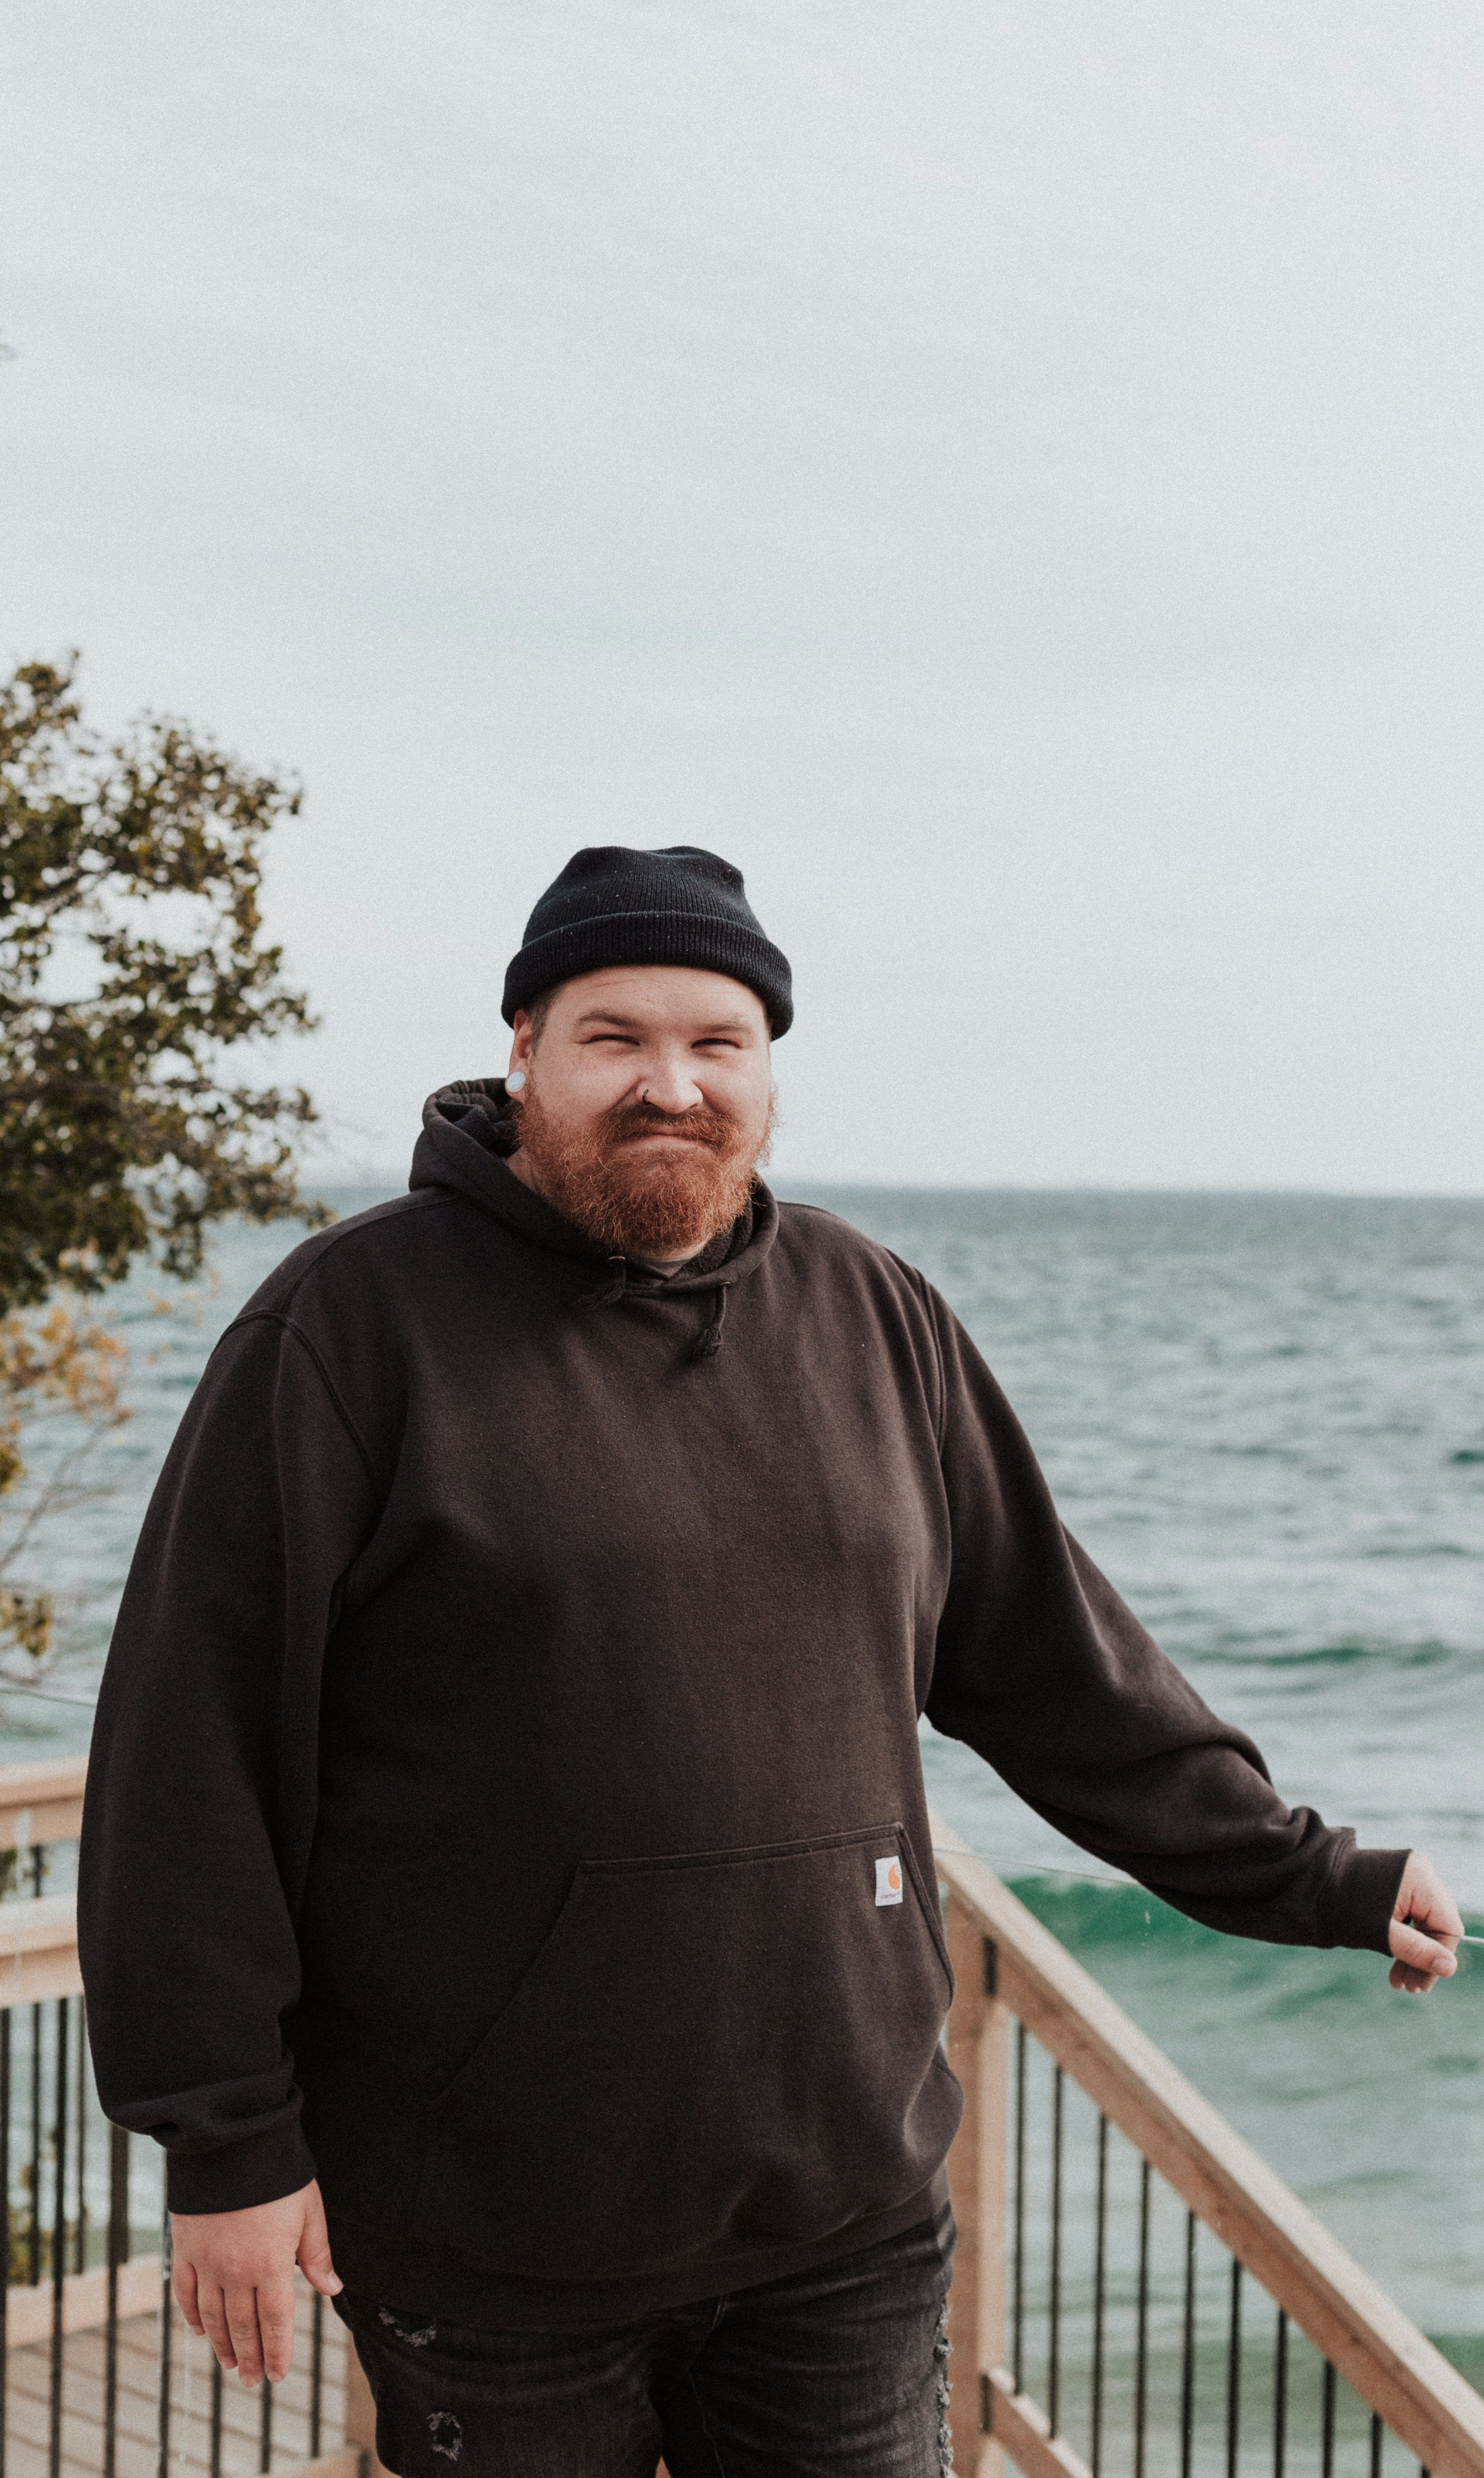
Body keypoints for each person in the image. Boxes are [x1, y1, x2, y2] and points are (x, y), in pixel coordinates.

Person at [78, 843, 1461, 2478]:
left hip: (845, 2223)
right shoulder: (347, 1330)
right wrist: (227, 2146)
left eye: (716, 1042)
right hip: (492, 2241)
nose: (671, 1085)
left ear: (766, 1068)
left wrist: (1307, 1874)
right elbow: (192, 1754)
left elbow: (1056, 1666)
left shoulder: (875, 1316)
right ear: (524, 1051)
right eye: (615, 1038)